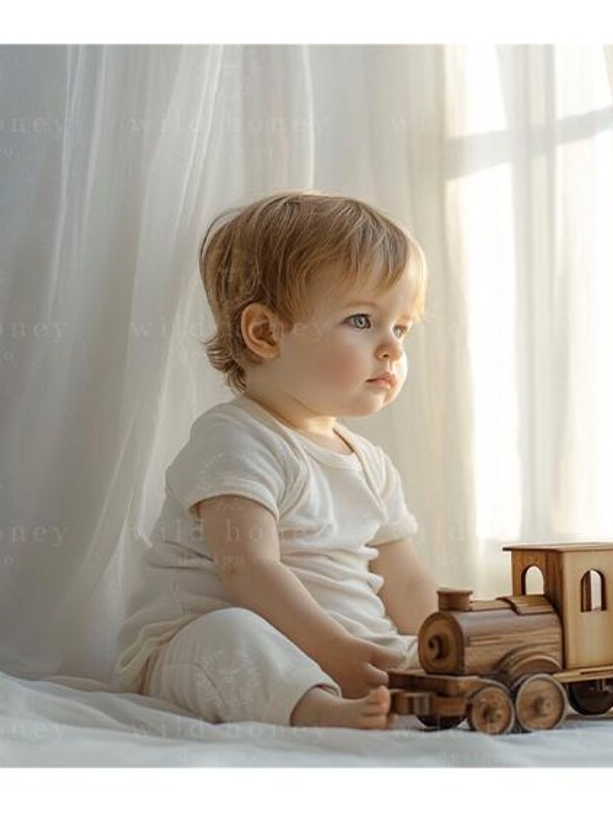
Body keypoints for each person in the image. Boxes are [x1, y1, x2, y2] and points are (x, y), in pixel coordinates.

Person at [114, 191, 439, 729]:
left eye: (400, 327)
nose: (393, 348)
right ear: (266, 333)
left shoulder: (371, 464)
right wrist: (335, 651)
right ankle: (319, 710)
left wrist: (445, 645)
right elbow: (249, 568)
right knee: (230, 635)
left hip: (341, 645)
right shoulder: (235, 438)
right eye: (362, 320)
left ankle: (412, 687)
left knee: (421, 657)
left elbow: (404, 581)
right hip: (201, 646)